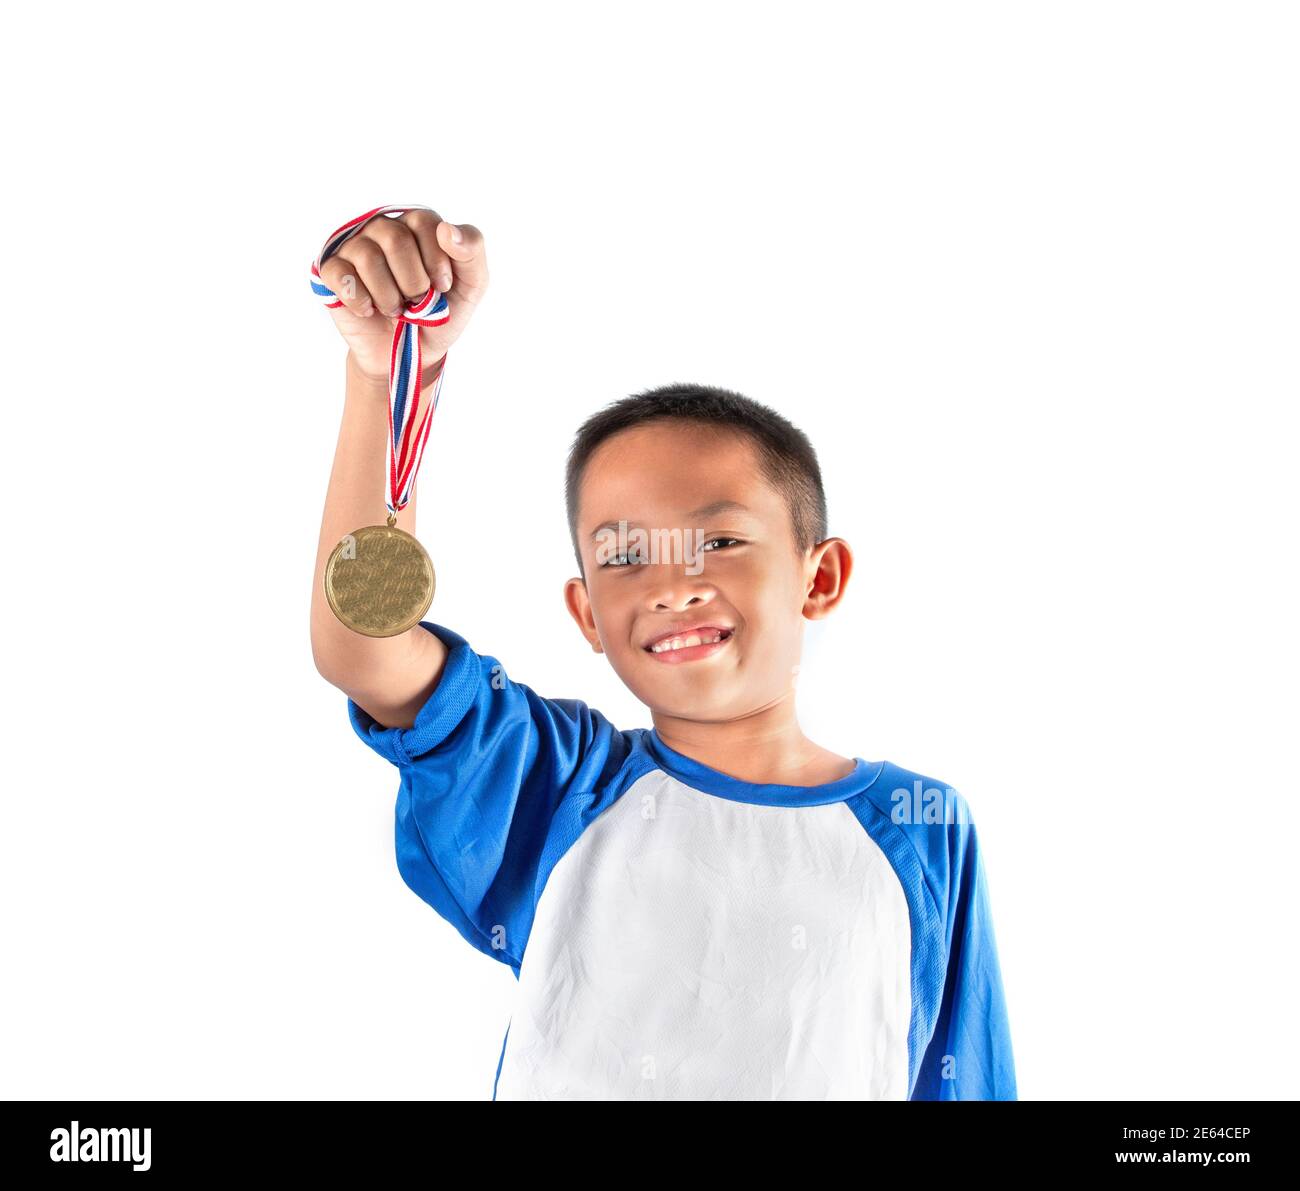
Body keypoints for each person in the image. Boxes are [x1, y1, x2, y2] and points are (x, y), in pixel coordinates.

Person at [310, 206, 1017, 1101]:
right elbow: (366, 647)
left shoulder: (922, 828)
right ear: (588, 614)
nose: (673, 584)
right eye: (625, 556)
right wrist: (388, 379)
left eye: (720, 541)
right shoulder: (557, 787)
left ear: (821, 576)